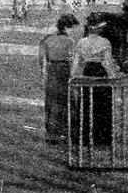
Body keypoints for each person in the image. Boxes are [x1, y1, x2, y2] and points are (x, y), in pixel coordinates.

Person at [71, 14, 119, 147]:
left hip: (87, 72)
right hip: (100, 73)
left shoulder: (82, 42)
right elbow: (107, 62)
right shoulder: (104, 42)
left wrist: (74, 77)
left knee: (87, 102)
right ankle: (102, 137)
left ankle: (85, 137)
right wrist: (113, 78)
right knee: (102, 105)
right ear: (98, 28)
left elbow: (76, 62)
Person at [39, 14, 78, 144]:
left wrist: (44, 73)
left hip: (52, 70)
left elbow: (43, 59)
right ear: (67, 27)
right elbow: (72, 61)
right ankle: (64, 131)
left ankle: (50, 131)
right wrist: (74, 76)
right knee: (65, 100)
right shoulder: (70, 42)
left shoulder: (49, 40)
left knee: (51, 99)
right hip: (64, 70)